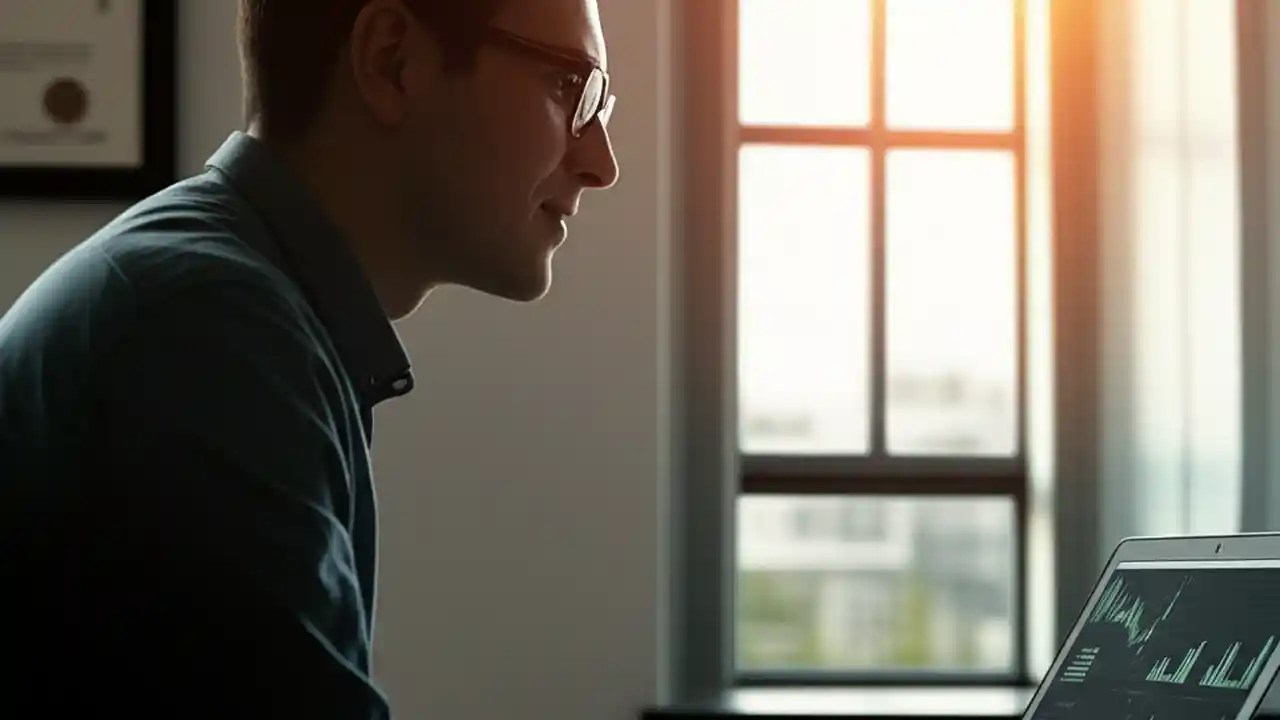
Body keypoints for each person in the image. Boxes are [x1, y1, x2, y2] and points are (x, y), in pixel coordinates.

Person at [0, 0, 619, 716]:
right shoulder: (209, 334)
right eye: (570, 87)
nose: (602, 163)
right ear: (392, 60)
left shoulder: (231, 307)